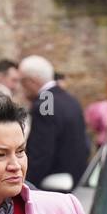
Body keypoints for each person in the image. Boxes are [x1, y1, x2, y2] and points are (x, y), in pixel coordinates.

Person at [18, 55, 90, 191]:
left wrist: (25, 185)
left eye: (22, 81)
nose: (21, 87)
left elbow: (41, 152)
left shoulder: (46, 103)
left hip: (55, 183)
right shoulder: (69, 98)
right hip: (76, 178)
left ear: (31, 81)